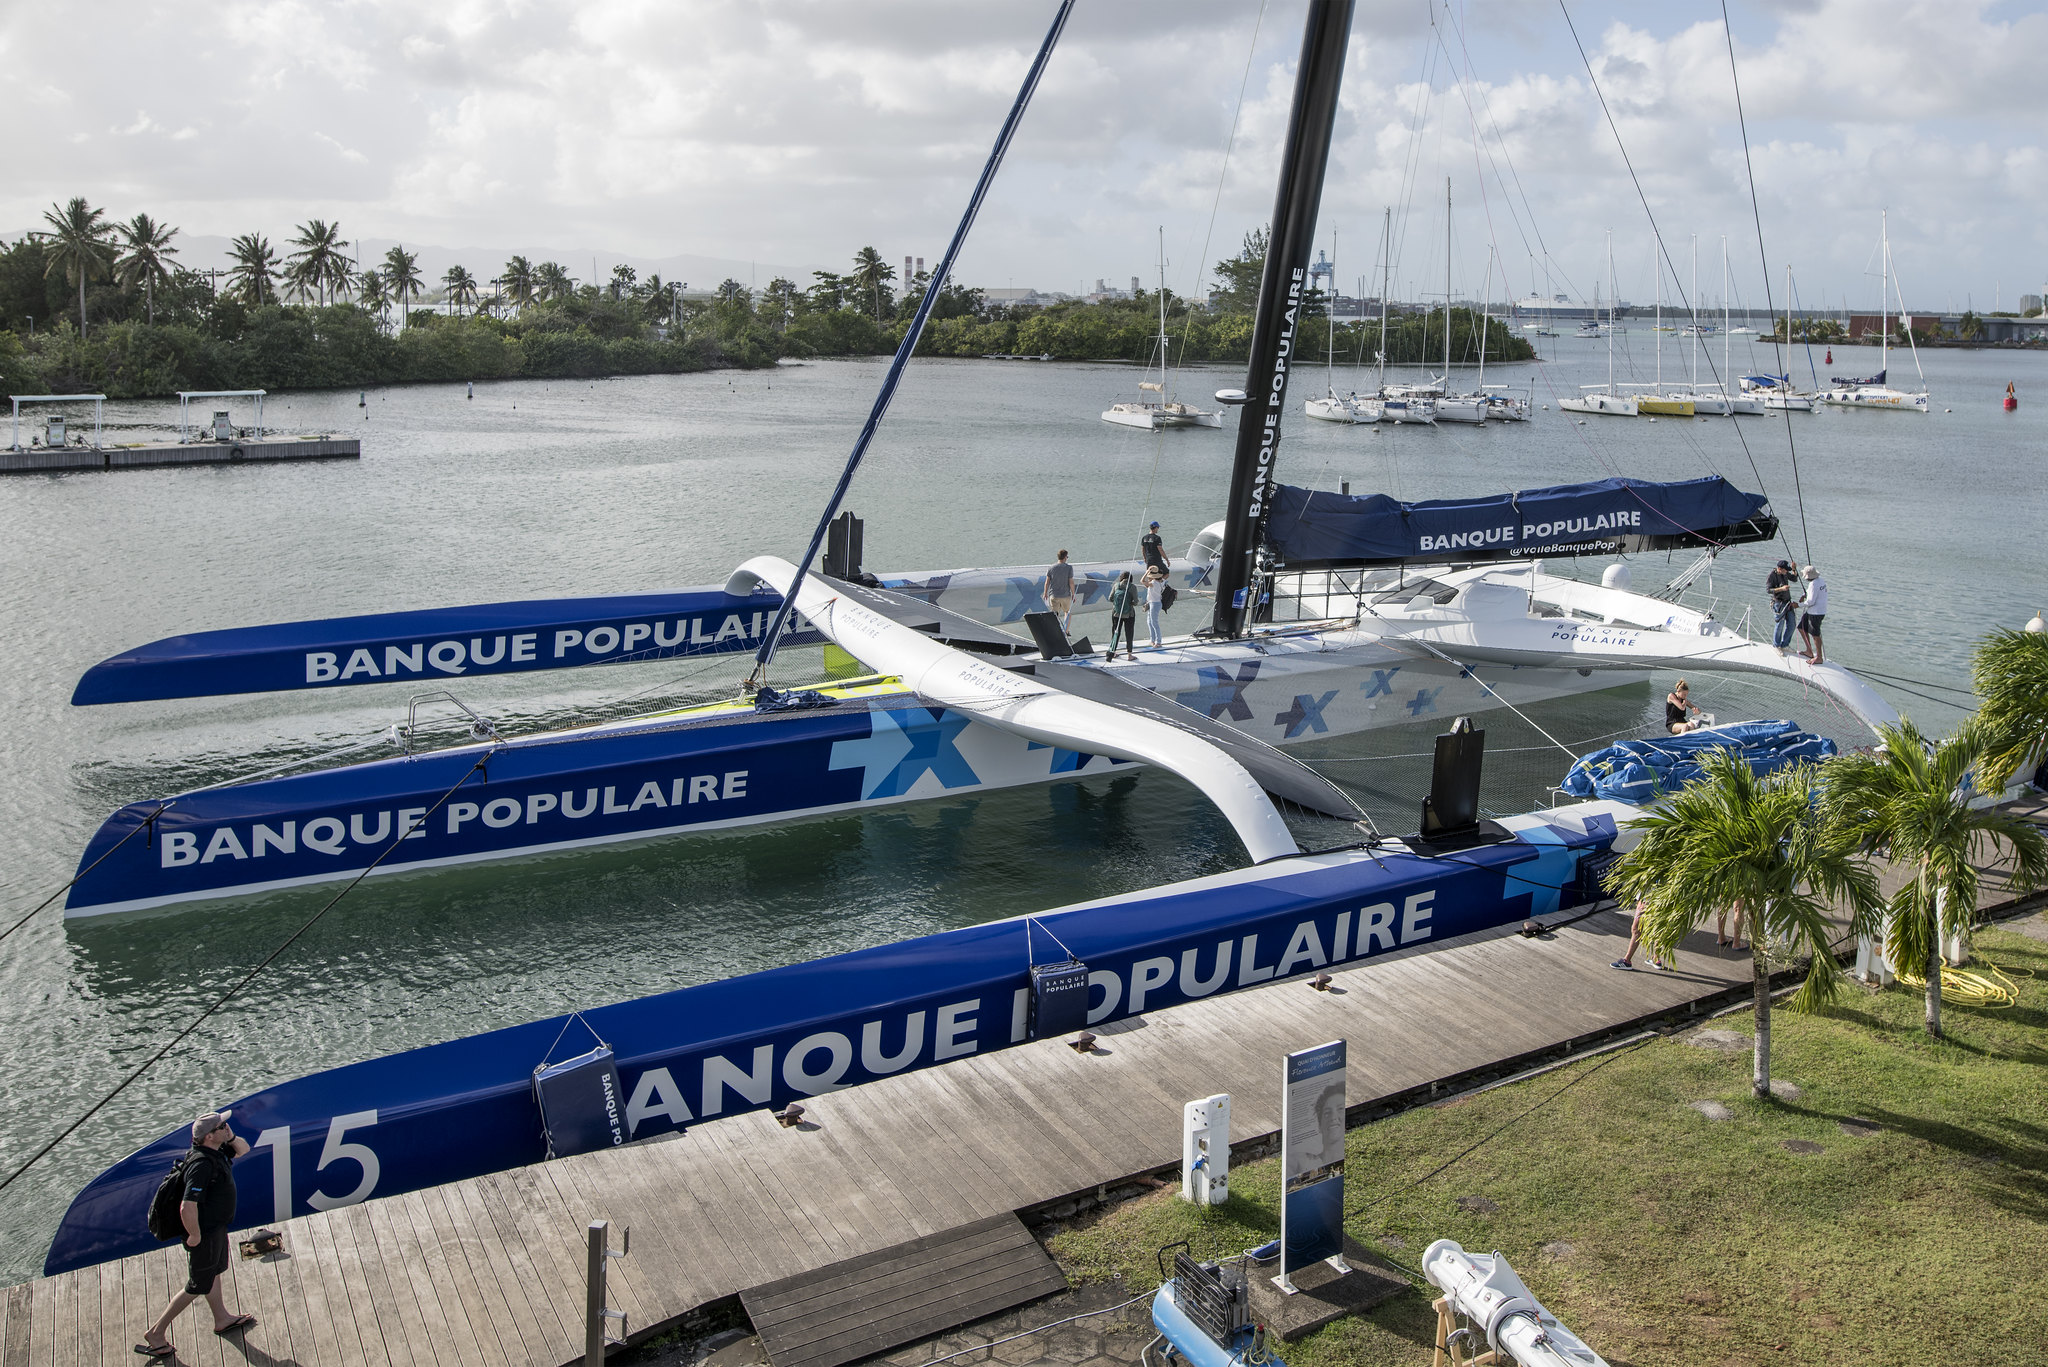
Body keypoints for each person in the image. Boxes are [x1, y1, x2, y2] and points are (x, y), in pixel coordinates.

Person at [138, 1112, 256, 1357]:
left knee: (214, 1273)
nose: (227, 1127)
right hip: (203, 1234)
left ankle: (221, 1318)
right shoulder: (202, 1164)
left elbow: (244, 1149)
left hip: (216, 1228)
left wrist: (230, 1136)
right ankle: (156, 1333)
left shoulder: (218, 1150)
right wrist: (194, 1235)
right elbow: (187, 1205)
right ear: (209, 1136)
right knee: (196, 1285)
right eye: (222, 1126)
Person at [1611, 900, 1674, 972]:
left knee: (1636, 929)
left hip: (1649, 898)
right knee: (1659, 928)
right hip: (1663, 900)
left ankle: (1626, 961)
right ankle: (1656, 959)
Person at [1797, 565, 1828, 664]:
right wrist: (1803, 595)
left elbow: (1810, 602)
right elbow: (1812, 593)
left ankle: (1819, 657)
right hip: (1815, 611)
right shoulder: (1820, 580)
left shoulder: (1813, 584)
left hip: (1816, 613)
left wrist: (1797, 605)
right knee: (1801, 628)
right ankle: (1809, 651)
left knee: (1815, 635)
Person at [1766, 559, 1797, 653]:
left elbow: (1794, 579)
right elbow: (1768, 590)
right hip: (1778, 603)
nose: (1787, 571)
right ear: (1779, 568)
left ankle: (1785, 645)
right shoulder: (1772, 575)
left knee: (1792, 624)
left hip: (1788, 602)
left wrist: (1794, 570)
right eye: (1785, 570)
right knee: (1780, 624)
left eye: (1787, 570)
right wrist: (1781, 589)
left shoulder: (1785, 573)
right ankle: (1776, 645)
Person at [1107, 569, 1138, 660]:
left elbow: (1110, 598)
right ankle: (1129, 655)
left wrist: (1117, 604)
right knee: (1129, 633)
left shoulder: (1116, 585)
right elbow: (1136, 602)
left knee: (1116, 632)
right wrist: (1130, 603)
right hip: (1129, 614)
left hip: (1116, 613)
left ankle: (1113, 652)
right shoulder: (1132, 587)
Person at [1041, 550, 1076, 632]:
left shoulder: (1051, 567)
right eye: (1067, 557)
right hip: (1066, 596)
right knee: (1067, 613)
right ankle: (1066, 631)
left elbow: (1047, 582)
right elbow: (1071, 582)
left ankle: (1055, 631)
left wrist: (1045, 593)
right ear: (1064, 557)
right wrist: (1073, 594)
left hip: (1053, 596)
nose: (1067, 558)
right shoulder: (1069, 568)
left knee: (1054, 615)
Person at [1143, 566, 1167, 649]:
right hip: (1153, 603)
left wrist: (1146, 572)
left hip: (1154, 604)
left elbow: (1142, 581)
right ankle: (1152, 640)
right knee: (1149, 622)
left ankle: (1158, 642)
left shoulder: (1153, 583)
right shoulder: (1162, 581)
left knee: (1154, 623)